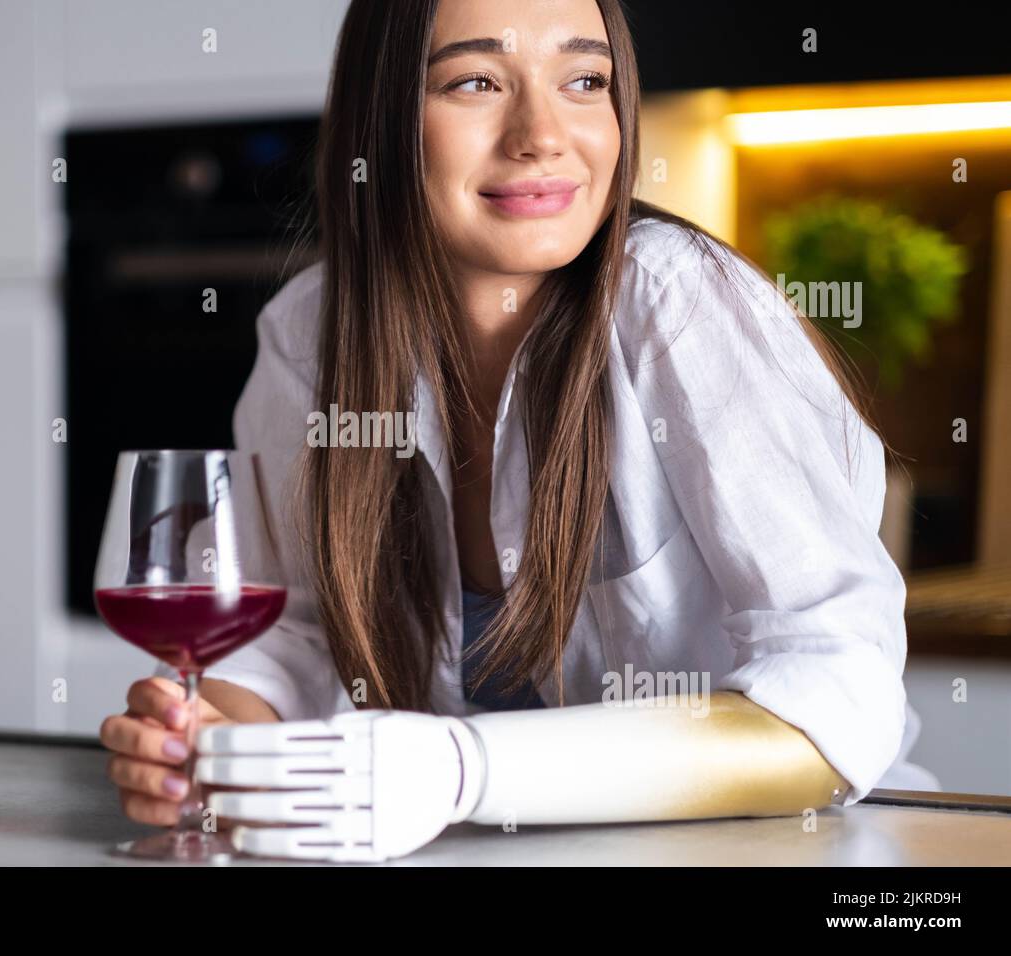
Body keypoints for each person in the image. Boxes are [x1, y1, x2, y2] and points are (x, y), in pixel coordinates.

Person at [100, 0, 937, 860]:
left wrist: (465, 769)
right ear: (381, 119)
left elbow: (837, 695)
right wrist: (206, 742)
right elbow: (298, 637)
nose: (543, 134)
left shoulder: (679, 303)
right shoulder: (312, 334)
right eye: (475, 81)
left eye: (585, 80)